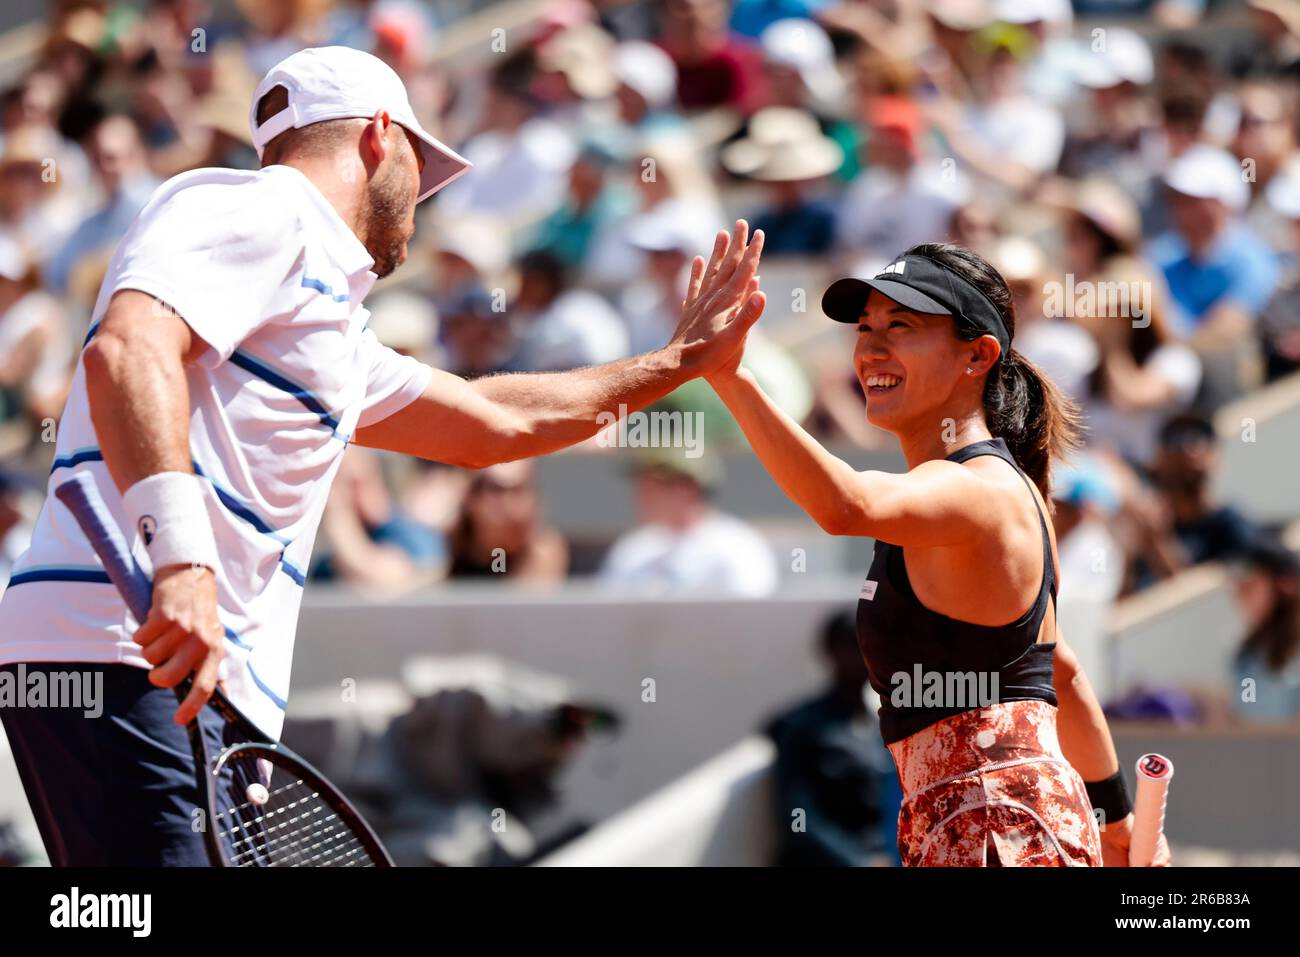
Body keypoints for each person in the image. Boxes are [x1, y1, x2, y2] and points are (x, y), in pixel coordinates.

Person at [0, 46, 765, 866]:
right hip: (131, 647)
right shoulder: (260, 210)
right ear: (377, 138)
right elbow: (125, 351)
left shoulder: (321, 316)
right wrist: (181, 558)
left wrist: (677, 363)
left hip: (165, 669)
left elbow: (492, 423)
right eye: (419, 161)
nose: (421, 201)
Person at [704, 233, 1170, 865]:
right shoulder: (996, 489)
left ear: (977, 356)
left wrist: (730, 376)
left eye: (901, 326)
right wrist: (1115, 820)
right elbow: (1061, 674)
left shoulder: (974, 490)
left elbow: (845, 506)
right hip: (997, 821)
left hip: (995, 825)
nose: (870, 347)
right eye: (865, 328)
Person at [765, 609, 901, 867]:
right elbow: (799, 819)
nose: (864, 658)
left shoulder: (877, 723)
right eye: (853, 647)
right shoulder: (804, 727)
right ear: (831, 652)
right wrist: (859, 862)